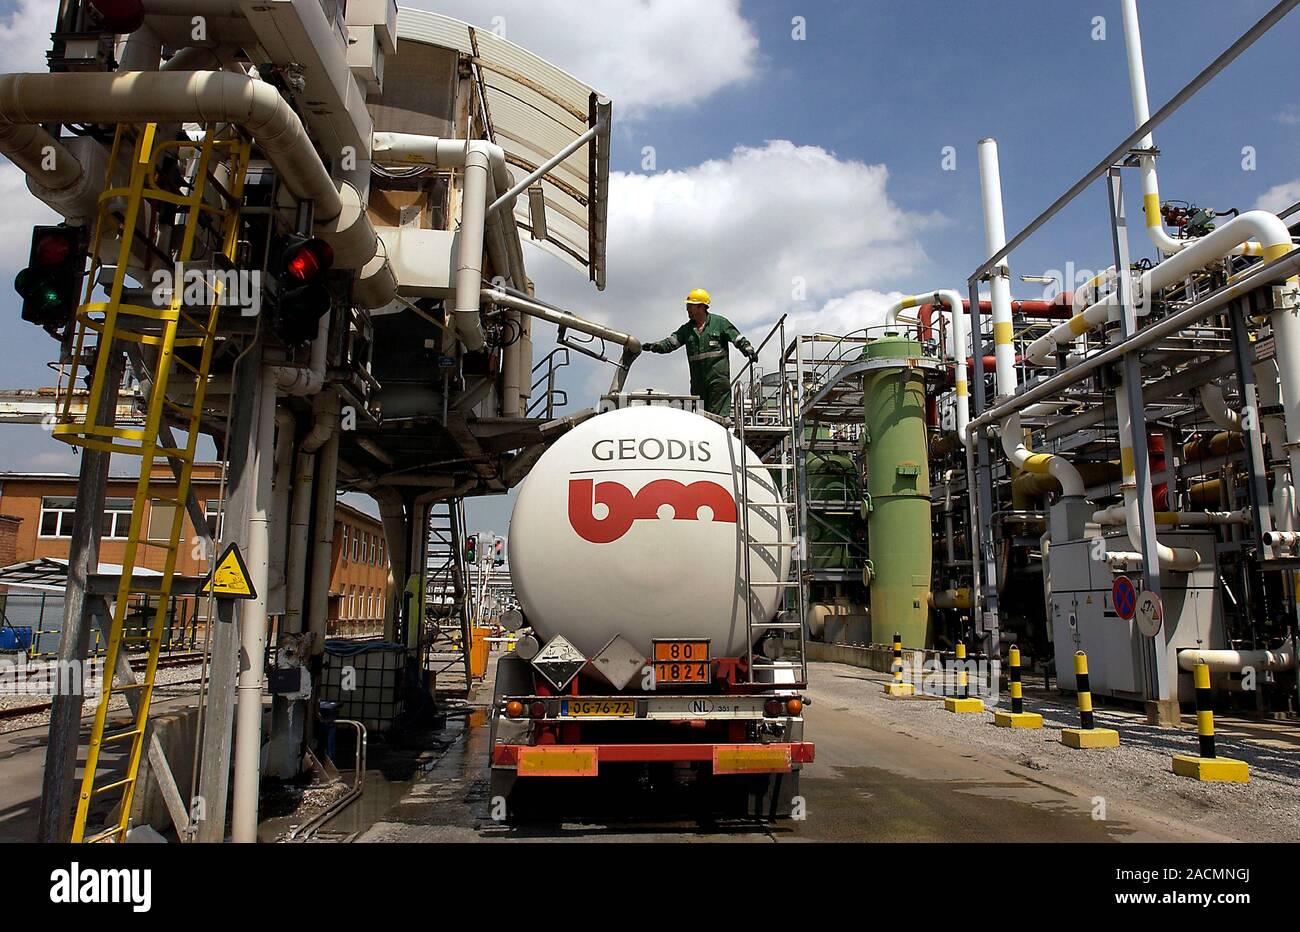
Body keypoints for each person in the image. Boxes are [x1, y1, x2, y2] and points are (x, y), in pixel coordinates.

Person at [643, 288, 758, 417]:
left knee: (717, 417)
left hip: (717, 381)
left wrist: (748, 350)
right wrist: (654, 346)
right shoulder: (686, 330)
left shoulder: (719, 323)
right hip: (698, 383)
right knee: (701, 417)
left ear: (701, 307)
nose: (687, 309)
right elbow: (670, 343)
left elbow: (737, 338)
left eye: (690, 305)